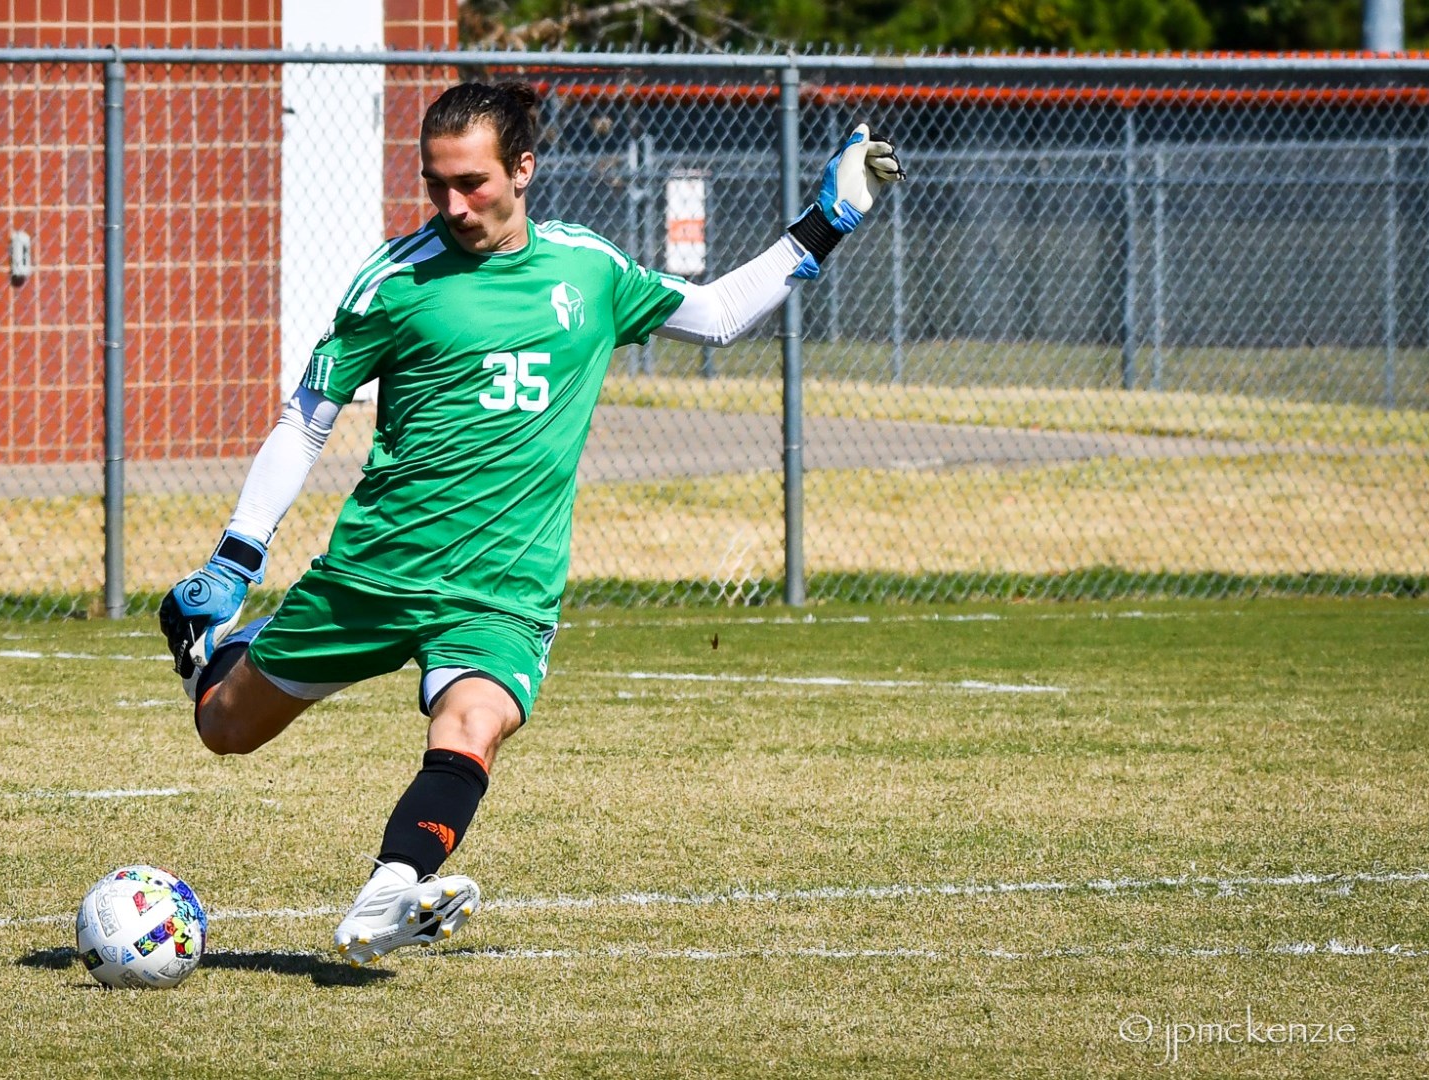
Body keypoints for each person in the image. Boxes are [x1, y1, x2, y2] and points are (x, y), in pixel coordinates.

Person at [158, 82, 903, 967]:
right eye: (435, 184)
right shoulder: (394, 282)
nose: (451, 204)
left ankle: (391, 891)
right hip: (376, 573)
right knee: (223, 729)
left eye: (471, 182)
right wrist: (238, 556)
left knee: (473, 725)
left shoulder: (588, 269)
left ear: (523, 168)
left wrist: (830, 219)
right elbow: (306, 419)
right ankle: (210, 641)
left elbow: (718, 314)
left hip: (505, 585)